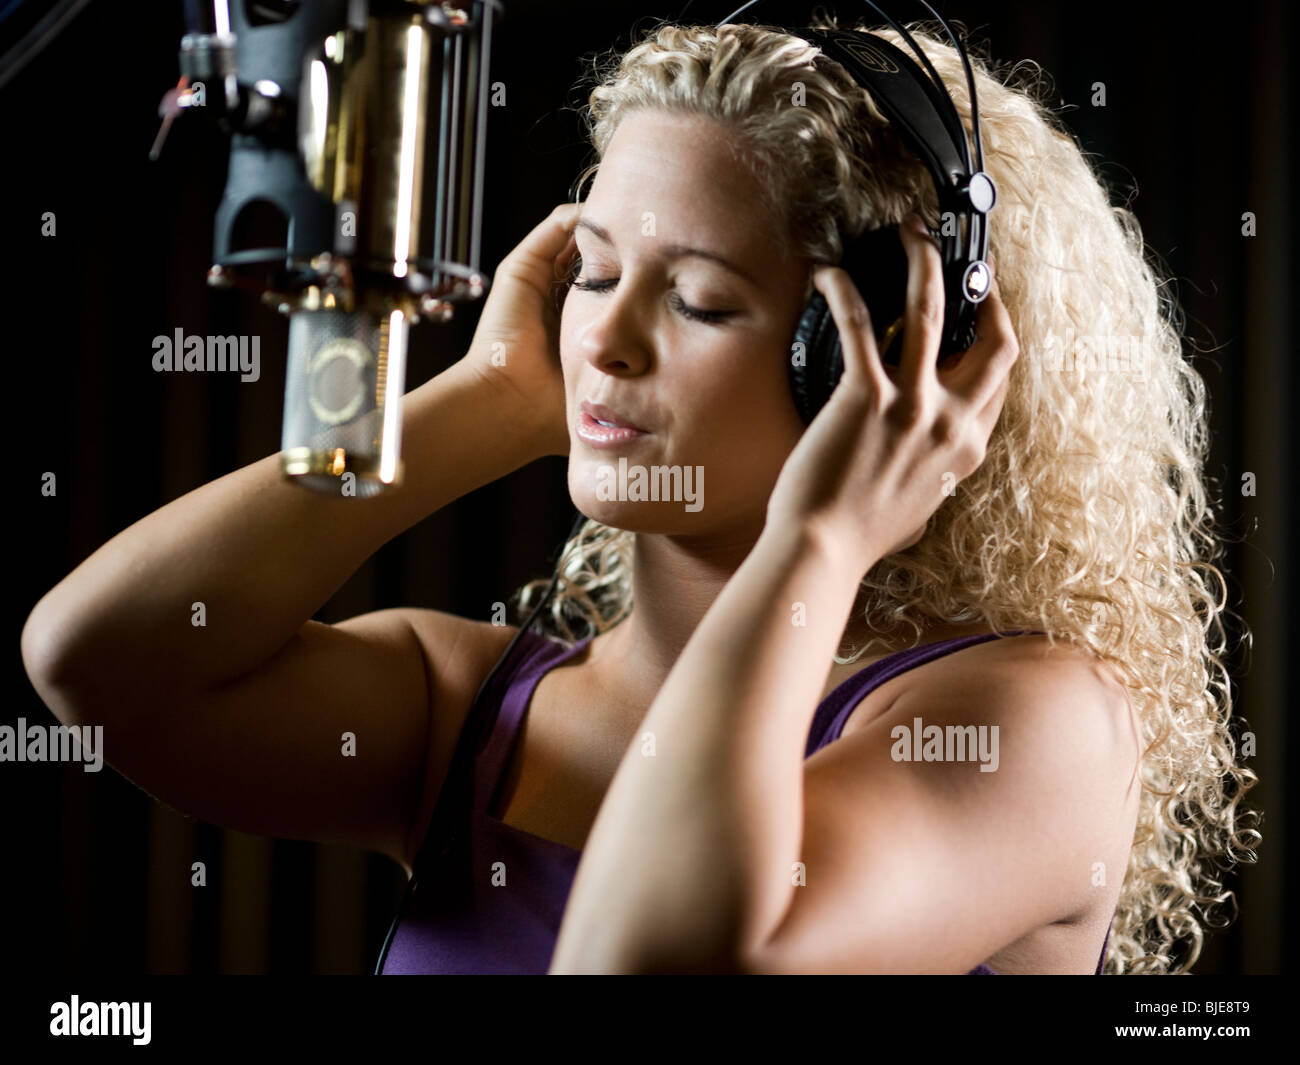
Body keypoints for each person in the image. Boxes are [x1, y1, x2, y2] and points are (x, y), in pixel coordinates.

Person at [21, 17, 1258, 975]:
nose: (602, 341)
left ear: (876, 357)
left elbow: (658, 959)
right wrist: (487, 401)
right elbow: (101, 661)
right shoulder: (478, 712)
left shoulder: (1031, 726)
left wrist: (818, 540)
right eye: (594, 272)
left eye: (699, 300)